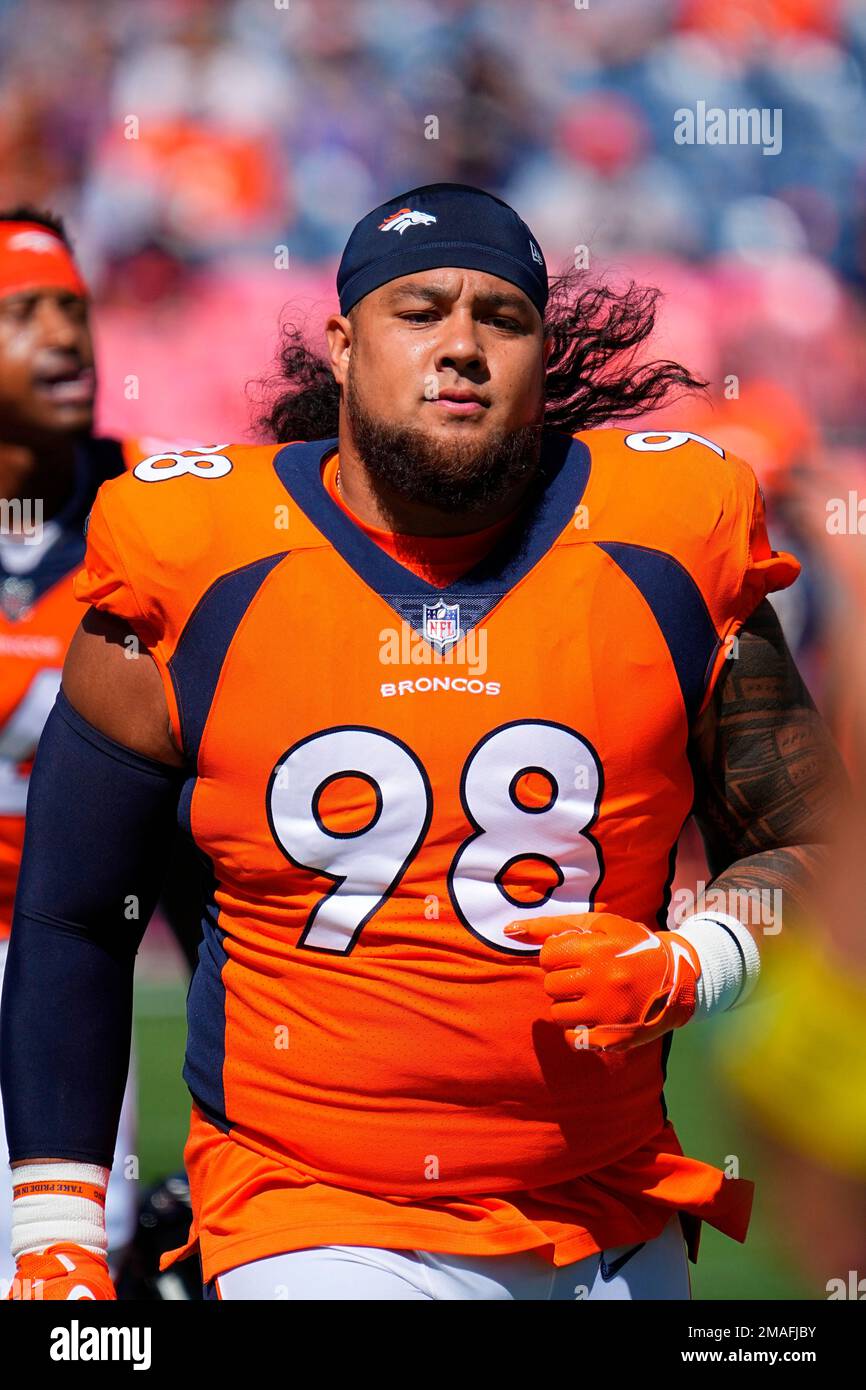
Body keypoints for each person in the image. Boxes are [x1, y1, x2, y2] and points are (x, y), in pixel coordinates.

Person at [2, 183, 847, 1301]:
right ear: (345, 343)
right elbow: (73, 911)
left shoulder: (662, 541)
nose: (461, 346)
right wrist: (54, 1230)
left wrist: (698, 959)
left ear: (542, 354)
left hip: (609, 1208)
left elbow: (823, 847)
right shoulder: (197, 551)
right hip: (315, 1211)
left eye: (501, 319)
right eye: (420, 312)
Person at [0, 207, 201, 1293]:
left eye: (73, 309)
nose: (65, 337)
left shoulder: (155, 513)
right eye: (22, 313)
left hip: (76, 947)